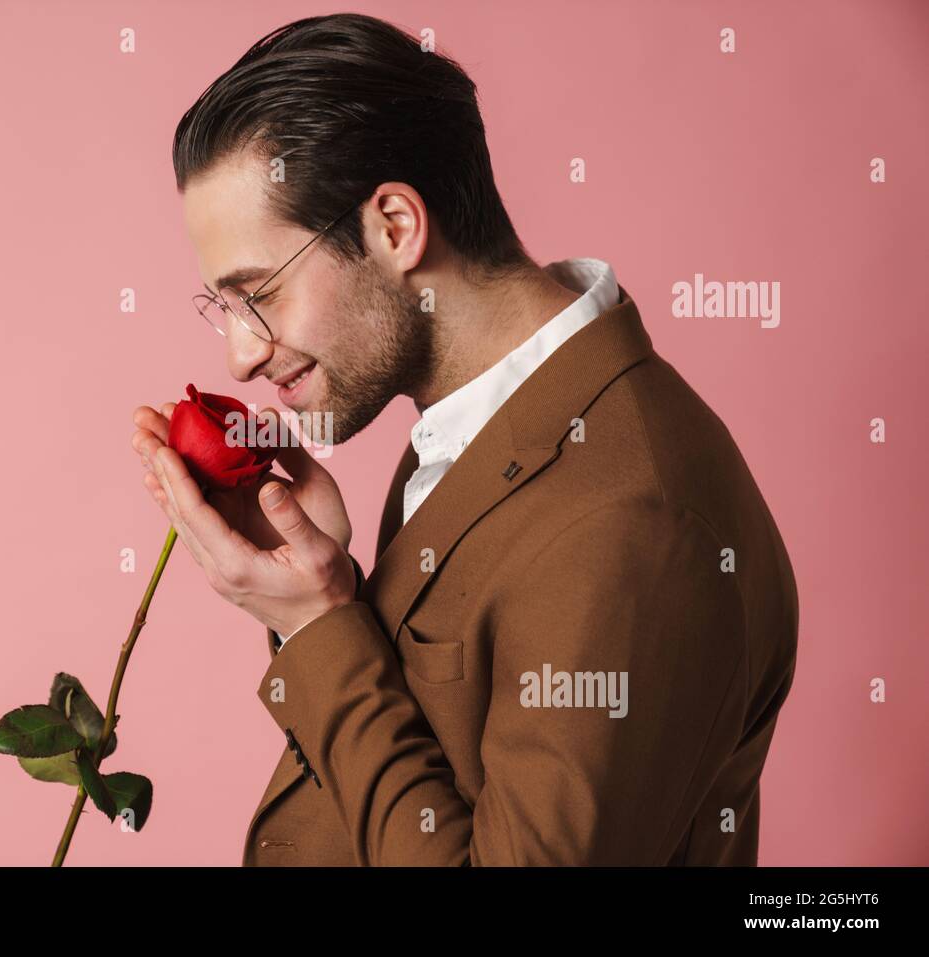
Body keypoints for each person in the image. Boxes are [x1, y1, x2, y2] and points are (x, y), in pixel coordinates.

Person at [131, 12, 798, 866]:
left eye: (258, 293)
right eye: (222, 306)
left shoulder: (631, 517)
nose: (242, 352)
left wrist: (316, 627)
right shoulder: (479, 425)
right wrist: (320, 585)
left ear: (396, 227)